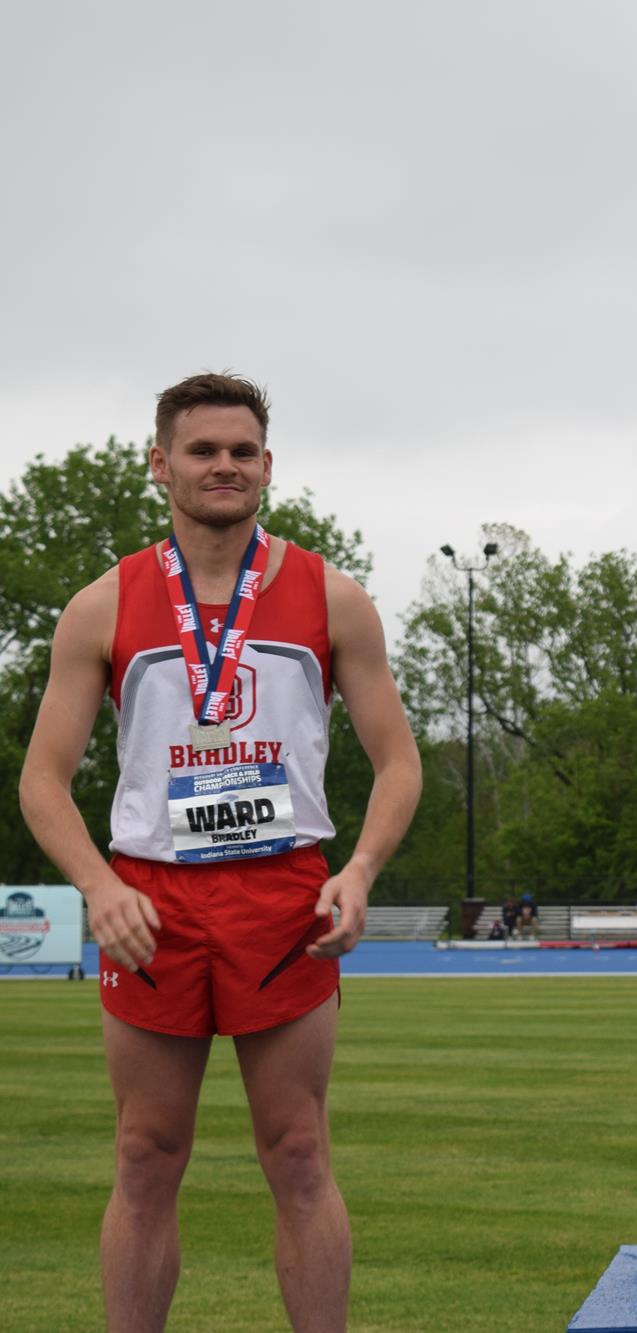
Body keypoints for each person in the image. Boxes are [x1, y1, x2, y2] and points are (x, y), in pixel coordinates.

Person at [16, 373, 422, 1332]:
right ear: (161, 464)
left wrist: (359, 870)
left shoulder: (333, 596)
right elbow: (42, 779)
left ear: (268, 465)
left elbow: (399, 761)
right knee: (144, 1156)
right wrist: (98, 886)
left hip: (284, 897)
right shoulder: (103, 605)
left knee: (299, 1153)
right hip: (150, 903)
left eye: (243, 451)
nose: (224, 466)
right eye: (202, 450)